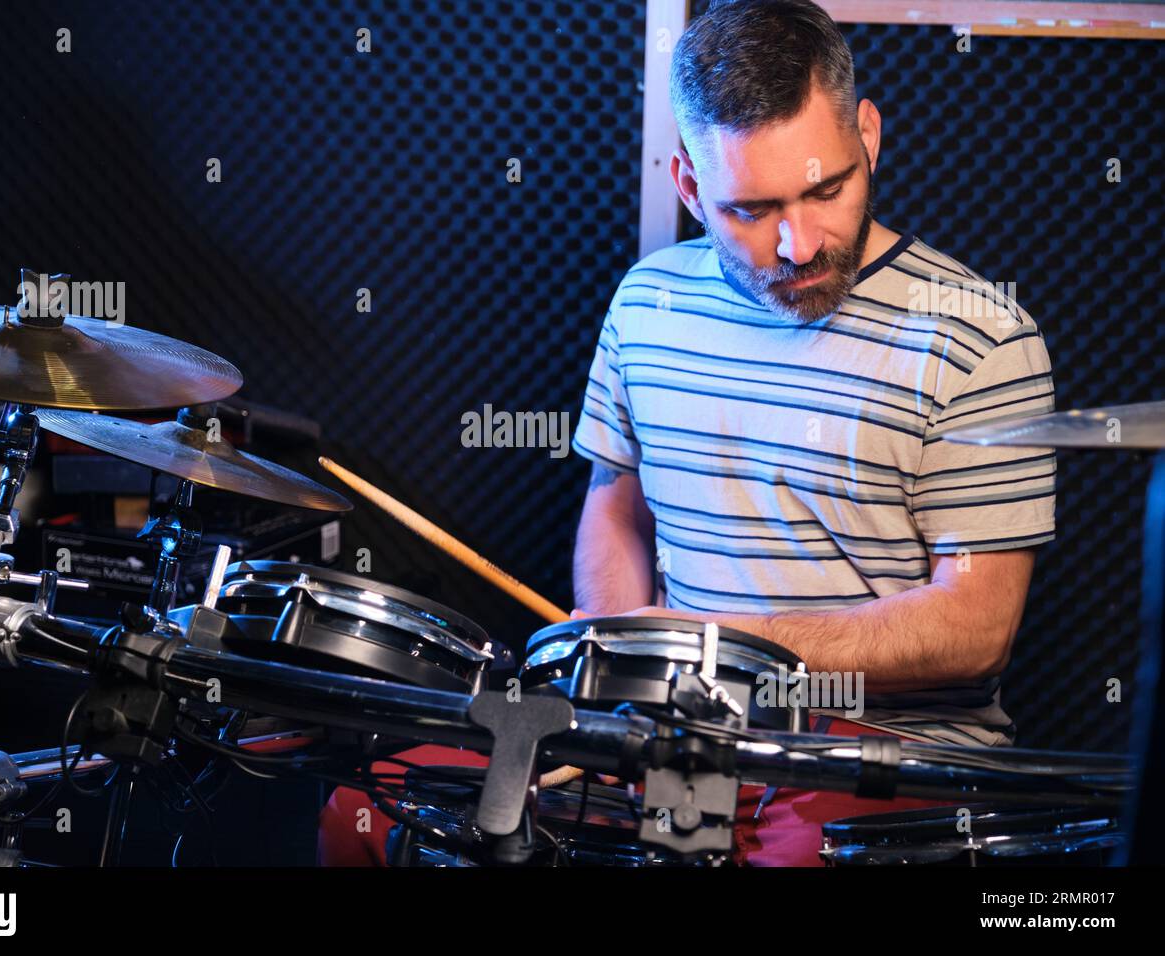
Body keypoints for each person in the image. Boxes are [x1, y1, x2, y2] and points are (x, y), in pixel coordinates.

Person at [319, 0, 1055, 866]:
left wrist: (721, 651)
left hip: (874, 752)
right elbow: (616, 510)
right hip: (673, 740)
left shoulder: (978, 333)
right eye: (751, 208)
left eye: (827, 189)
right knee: (370, 813)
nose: (799, 242)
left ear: (869, 135)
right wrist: (625, 654)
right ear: (689, 185)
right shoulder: (647, 300)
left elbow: (976, 626)